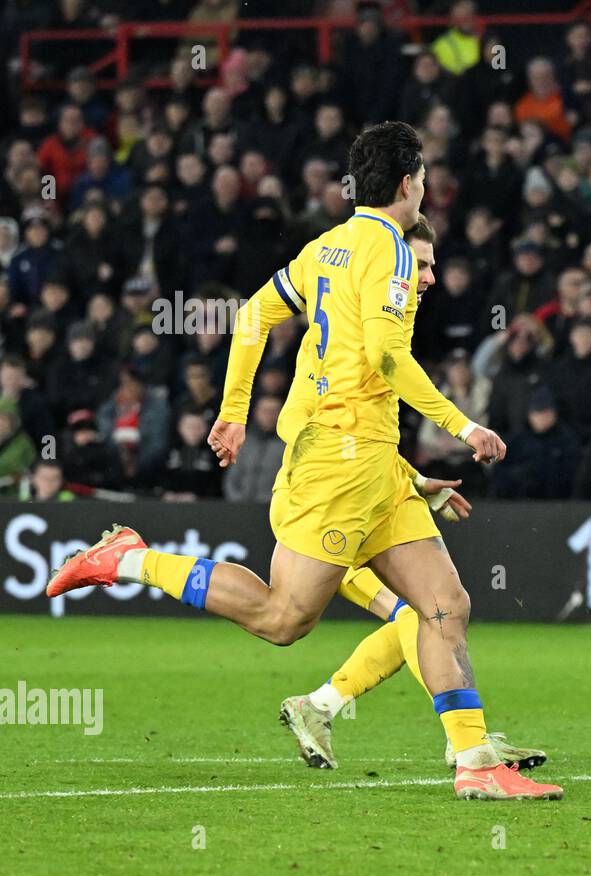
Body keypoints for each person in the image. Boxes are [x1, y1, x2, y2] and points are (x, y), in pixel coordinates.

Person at [46, 122, 559, 801]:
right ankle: (127, 559)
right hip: (336, 467)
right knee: (282, 619)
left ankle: (474, 765)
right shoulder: (392, 251)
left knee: (443, 604)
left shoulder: (327, 248)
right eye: (425, 177)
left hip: (372, 461)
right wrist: (460, 423)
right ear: (409, 183)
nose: (426, 186)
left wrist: (234, 410)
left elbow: (254, 316)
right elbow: (381, 357)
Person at [278, 217, 543, 773]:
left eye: (427, 264)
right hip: (331, 512)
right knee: (416, 616)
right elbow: (333, 442)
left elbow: (366, 443)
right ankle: (450, 739)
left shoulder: (375, 336)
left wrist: (414, 483)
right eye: (418, 264)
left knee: (436, 611)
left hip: (370, 501)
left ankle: (330, 709)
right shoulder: (333, 358)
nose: (426, 277)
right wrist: (462, 429)